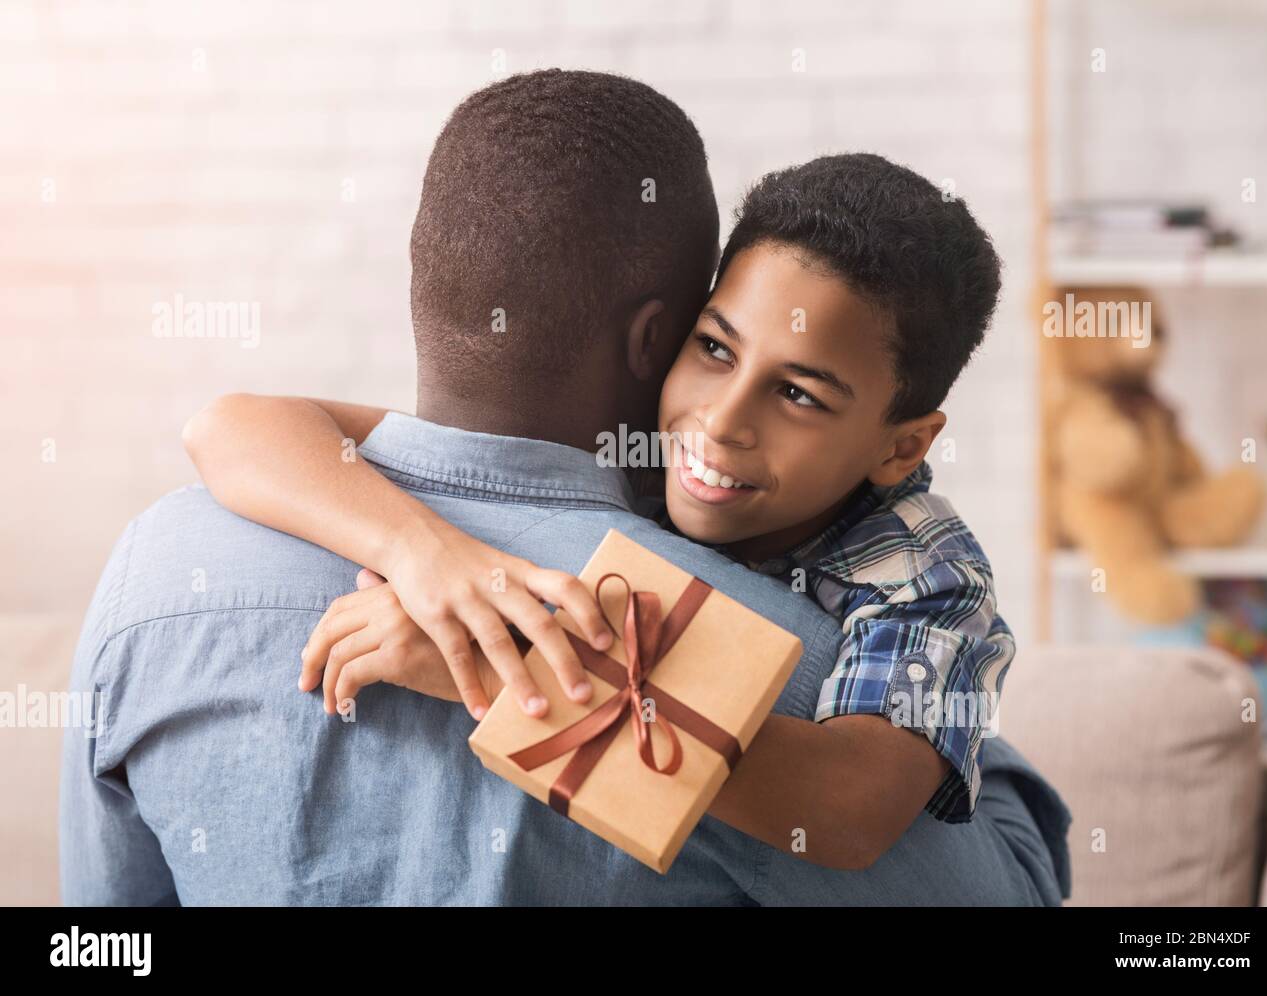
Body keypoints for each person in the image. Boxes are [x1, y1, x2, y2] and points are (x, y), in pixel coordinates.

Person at [61, 69, 1069, 904]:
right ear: (664, 335)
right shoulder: (727, 600)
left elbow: (849, 813)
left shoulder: (919, 584)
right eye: (711, 347)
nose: (719, 423)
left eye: (799, 392)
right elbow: (228, 421)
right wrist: (428, 559)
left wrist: (496, 669)